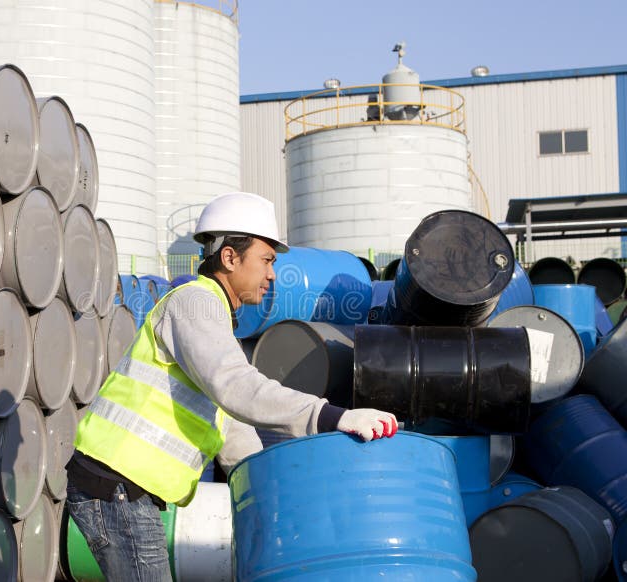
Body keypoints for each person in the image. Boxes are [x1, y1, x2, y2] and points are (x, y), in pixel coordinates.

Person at [65, 191, 398, 581]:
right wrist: (331, 417)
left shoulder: (216, 320)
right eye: (266, 259)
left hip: (125, 490)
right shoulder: (195, 303)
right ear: (229, 258)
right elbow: (237, 389)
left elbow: (231, 425)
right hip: (116, 486)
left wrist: (267, 494)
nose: (272, 274)